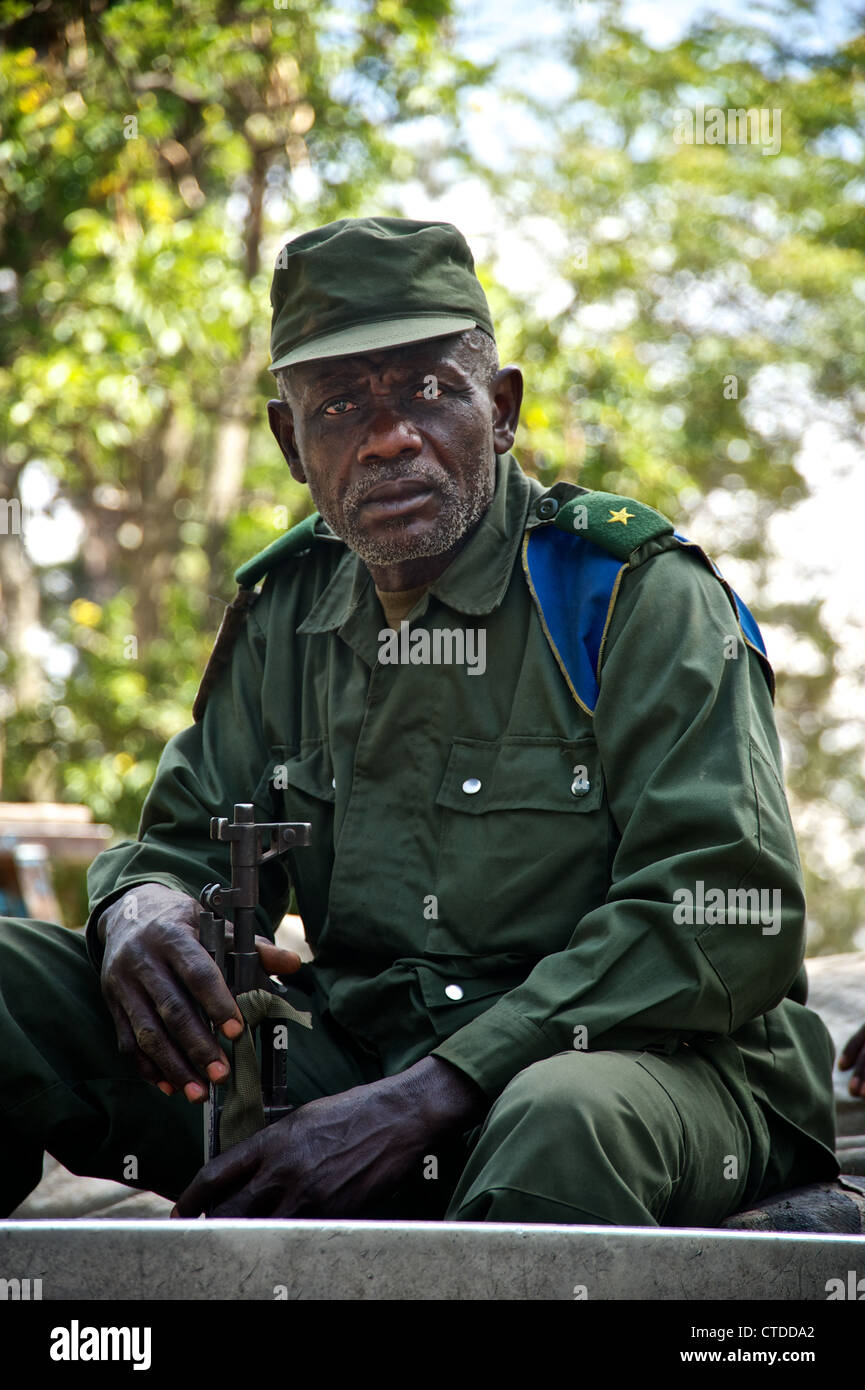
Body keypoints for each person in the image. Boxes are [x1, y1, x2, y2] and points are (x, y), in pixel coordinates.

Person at [0, 216, 842, 1225]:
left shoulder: (626, 597)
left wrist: (432, 1094)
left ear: (500, 408)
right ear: (291, 441)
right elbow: (184, 850)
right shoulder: (286, 615)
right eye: (343, 404)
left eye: (429, 392)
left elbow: (728, 907)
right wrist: (138, 911)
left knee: (558, 1117)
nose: (389, 436)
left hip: (647, 1071)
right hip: (357, 1064)